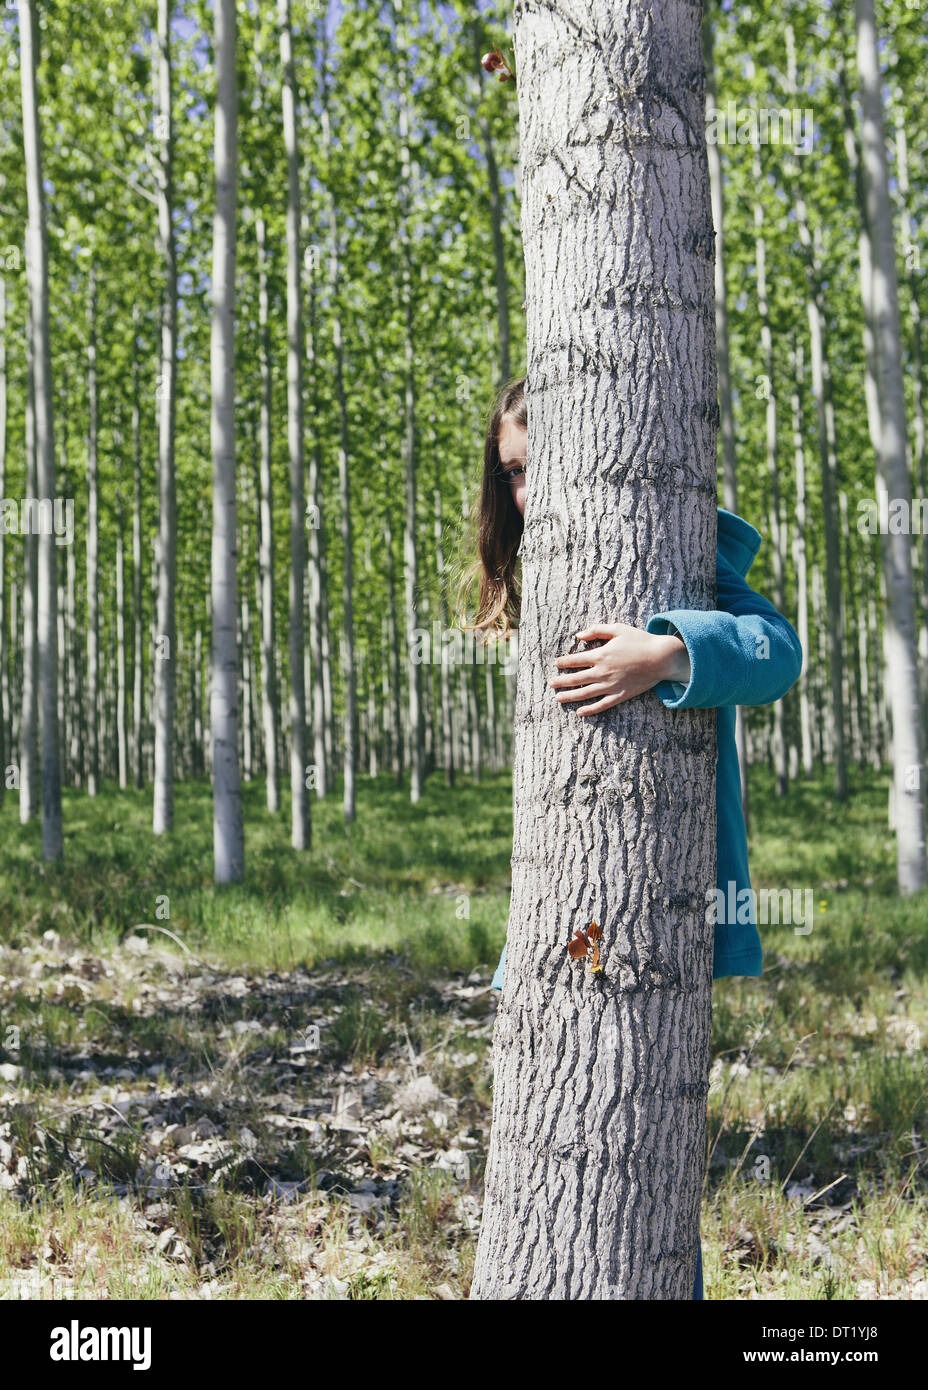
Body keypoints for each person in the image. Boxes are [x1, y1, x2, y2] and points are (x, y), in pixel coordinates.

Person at [459, 376, 803, 1300]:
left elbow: (779, 650)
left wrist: (670, 652)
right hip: (557, 914)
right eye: (512, 475)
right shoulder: (541, 573)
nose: (526, 494)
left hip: (666, 904)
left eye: (538, 467)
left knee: (644, 1150)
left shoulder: (689, 554)